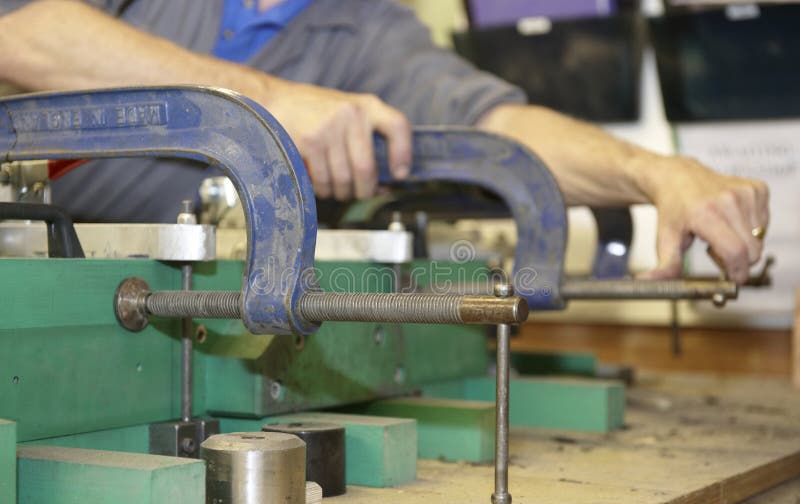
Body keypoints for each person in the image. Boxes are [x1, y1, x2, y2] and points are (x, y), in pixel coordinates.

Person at [0, 0, 769, 283]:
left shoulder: (370, 29)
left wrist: (656, 171)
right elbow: (24, 34)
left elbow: (496, 128)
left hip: (161, 310)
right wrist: (270, 103)